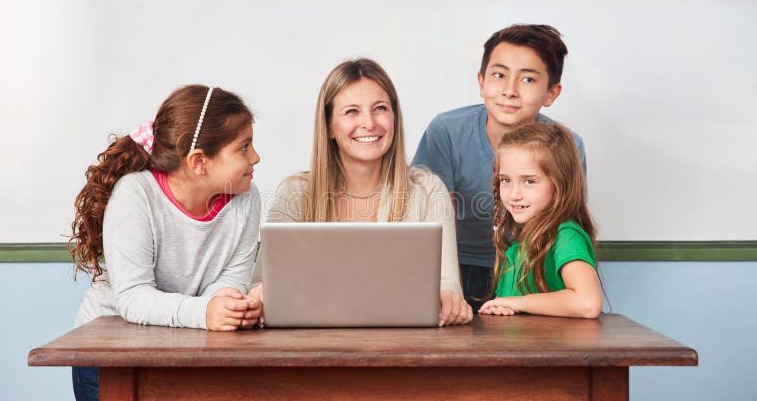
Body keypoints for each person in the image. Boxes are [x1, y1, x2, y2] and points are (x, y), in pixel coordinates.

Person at [68, 84, 262, 401]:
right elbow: (133, 297)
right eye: (243, 148)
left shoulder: (245, 200)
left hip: (184, 353)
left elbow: (232, 277)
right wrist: (205, 312)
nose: (256, 158)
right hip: (111, 360)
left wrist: (227, 305)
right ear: (199, 162)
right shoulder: (136, 196)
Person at [249, 58, 472, 328]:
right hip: (312, 343)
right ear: (329, 126)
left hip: (405, 344)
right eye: (351, 112)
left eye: (380, 109)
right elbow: (262, 282)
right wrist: (260, 297)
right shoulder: (296, 192)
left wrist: (449, 298)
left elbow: (448, 281)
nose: (369, 123)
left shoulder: (427, 190)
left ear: (394, 117)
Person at [412, 24, 586, 311]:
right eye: (499, 75)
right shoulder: (446, 131)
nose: (509, 90)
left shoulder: (567, 145)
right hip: (455, 268)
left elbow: (563, 225)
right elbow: (427, 217)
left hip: (529, 267)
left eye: (528, 79)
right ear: (481, 82)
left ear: (551, 93)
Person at [478, 121, 602, 319]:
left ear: (560, 184)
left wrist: (517, 303)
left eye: (529, 181)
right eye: (506, 180)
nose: (514, 194)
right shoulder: (516, 248)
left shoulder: (566, 236)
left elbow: (588, 303)